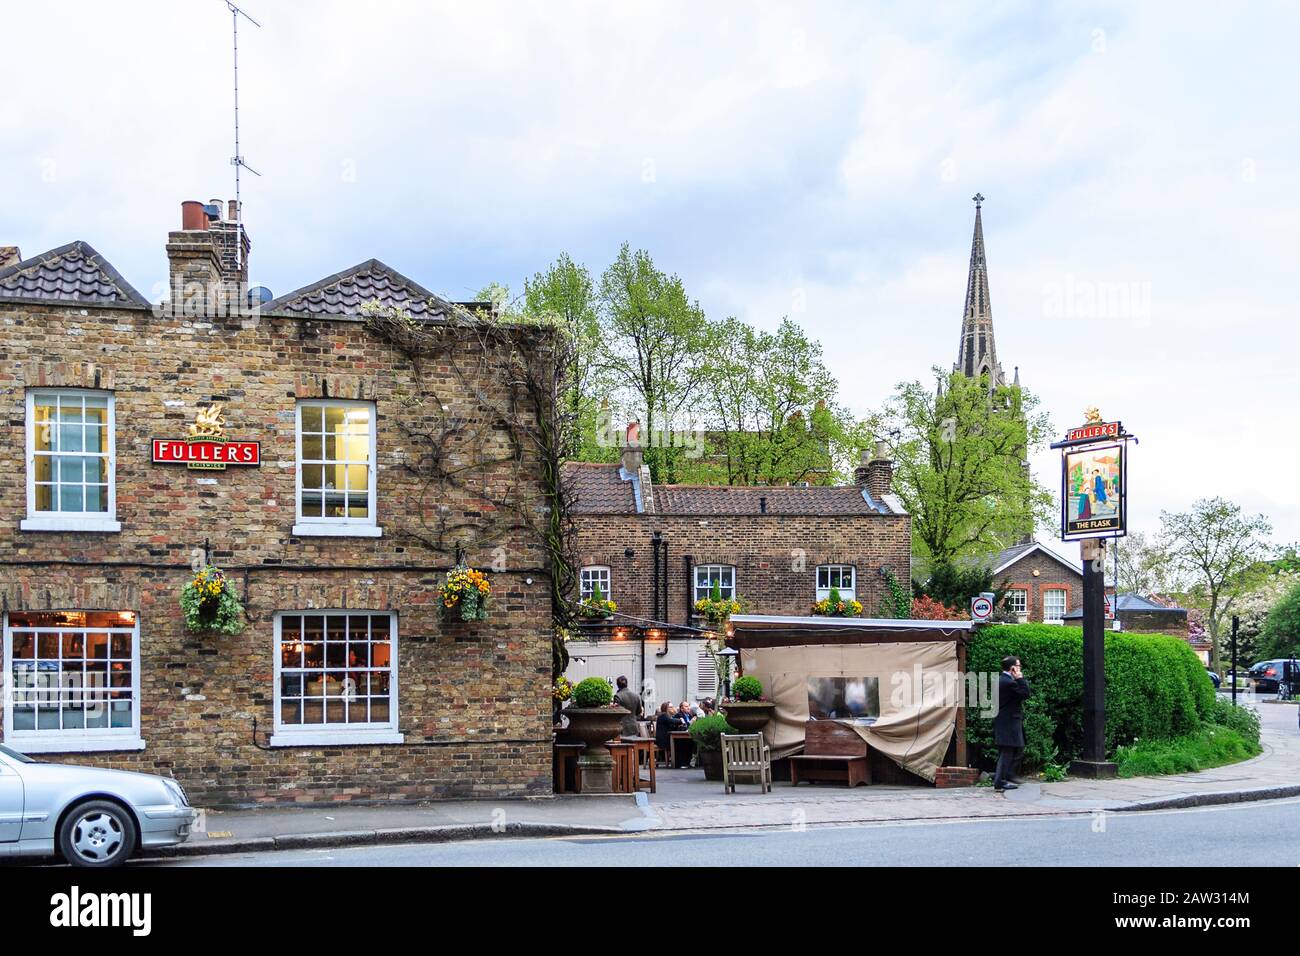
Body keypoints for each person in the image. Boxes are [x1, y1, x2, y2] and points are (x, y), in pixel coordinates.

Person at [993, 655, 1032, 792]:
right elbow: (1026, 693)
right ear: (1013, 668)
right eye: (1018, 666)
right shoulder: (1008, 682)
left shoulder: (1002, 680)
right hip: (1008, 721)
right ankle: (1000, 781)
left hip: (1007, 720)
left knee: (1014, 750)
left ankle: (1004, 777)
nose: (1020, 668)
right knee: (1007, 751)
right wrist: (1020, 678)